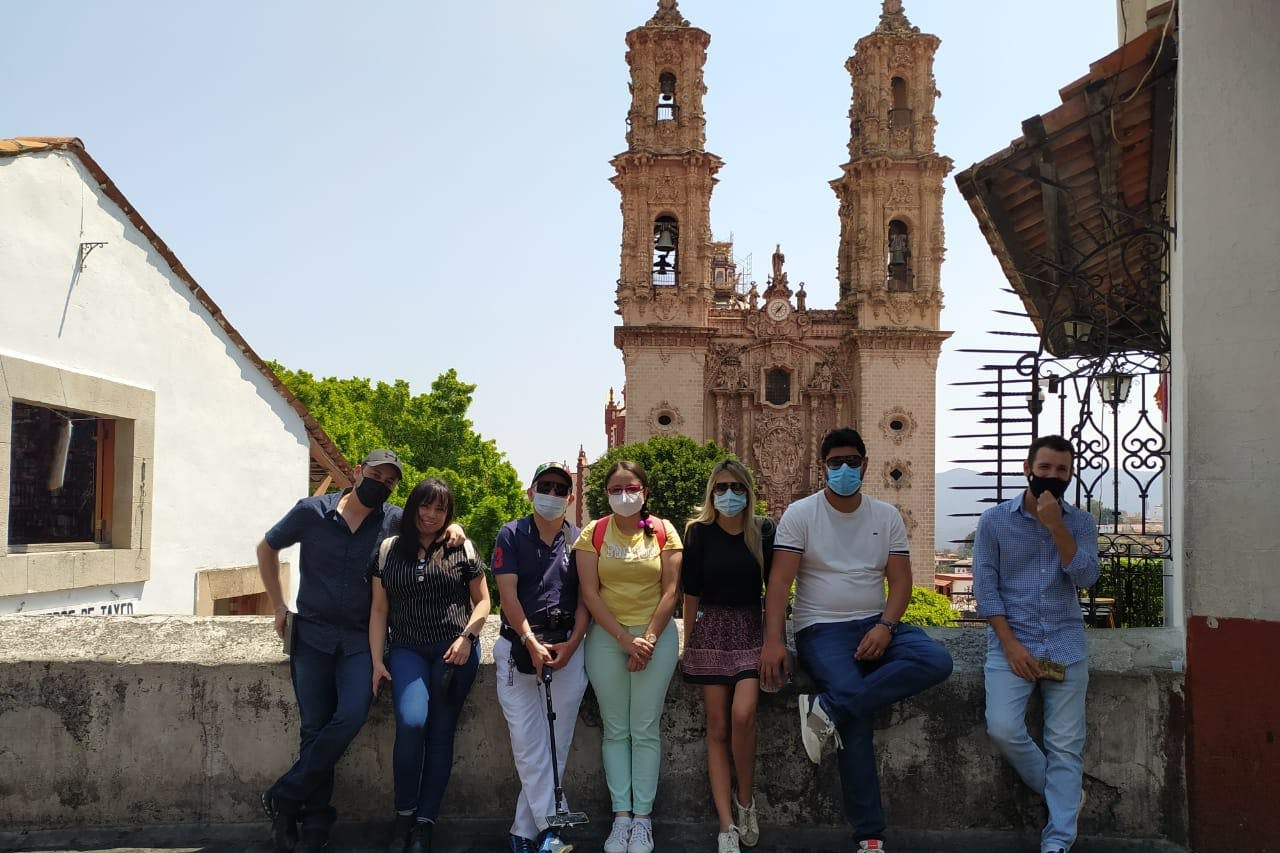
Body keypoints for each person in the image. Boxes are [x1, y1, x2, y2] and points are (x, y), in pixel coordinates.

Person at [759, 427, 953, 853]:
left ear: (865, 465)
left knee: (937, 660)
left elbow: (901, 582)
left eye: (852, 462)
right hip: (820, 629)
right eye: (835, 463)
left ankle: (826, 708)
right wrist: (775, 640)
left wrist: (884, 626)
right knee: (856, 716)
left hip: (877, 623)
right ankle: (869, 836)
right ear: (822, 467)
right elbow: (778, 584)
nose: (844, 469)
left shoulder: (886, 517)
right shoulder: (800, 514)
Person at [259, 449, 462, 853]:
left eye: (390, 481)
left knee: (350, 715)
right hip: (311, 635)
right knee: (314, 727)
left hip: (358, 639)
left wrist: (455, 526)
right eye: (376, 475)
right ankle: (313, 820)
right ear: (357, 472)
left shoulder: (391, 519)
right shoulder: (311, 512)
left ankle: (285, 792)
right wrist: (279, 605)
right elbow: (267, 548)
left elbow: (430, 520)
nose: (381, 484)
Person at [972, 435, 1100, 853]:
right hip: (1013, 642)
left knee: (1066, 744)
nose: (1052, 476)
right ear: (1028, 469)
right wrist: (1009, 645)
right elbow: (985, 589)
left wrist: (1056, 526)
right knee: (1005, 729)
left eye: (1061, 470)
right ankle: (1064, 798)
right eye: (1044, 468)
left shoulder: (1079, 523)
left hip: (1064, 643)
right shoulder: (994, 521)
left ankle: (1058, 840)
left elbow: (1085, 578)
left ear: (1070, 474)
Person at [370, 477, 491, 853]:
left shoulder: (461, 547)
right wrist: (376, 660)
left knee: (441, 735)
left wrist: (467, 639)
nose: (432, 515)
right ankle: (403, 814)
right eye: (426, 506)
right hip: (406, 649)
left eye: (441, 509)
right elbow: (379, 609)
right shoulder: (389, 550)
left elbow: (484, 602)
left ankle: (424, 823)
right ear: (413, 507)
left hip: (453, 650)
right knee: (411, 722)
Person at [573, 460, 683, 853]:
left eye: (631, 488)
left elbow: (671, 591)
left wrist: (648, 639)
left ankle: (643, 820)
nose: (624, 495)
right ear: (606, 494)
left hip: (656, 637)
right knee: (616, 728)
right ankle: (621, 817)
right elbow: (590, 593)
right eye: (616, 489)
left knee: (645, 727)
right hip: (607, 638)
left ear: (644, 492)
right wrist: (625, 640)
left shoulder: (663, 531)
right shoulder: (594, 533)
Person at [492, 462, 591, 853]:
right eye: (544, 486)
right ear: (531, 492)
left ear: (570, 498)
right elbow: (508, 596)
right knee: (529, 746)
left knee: (556, 745)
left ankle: (524, 834)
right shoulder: (511, 534)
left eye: (560, 488)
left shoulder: (580, 540)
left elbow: (587, 599)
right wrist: (530, 640)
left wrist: (574, 642)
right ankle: (555, 828)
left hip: (566, 651)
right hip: (519, 649)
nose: (552, 493)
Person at [681, 460, 775, 853]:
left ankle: (746, 800)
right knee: (717, 727)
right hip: (711, 631)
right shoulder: (698, 533)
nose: (728, 495)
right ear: (711, 492)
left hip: (752, 629)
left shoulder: (764, 531)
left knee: (743, 714)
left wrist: (776, 641)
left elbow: (776, 589)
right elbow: (691, 593)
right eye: (720, 487)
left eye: (736, 487)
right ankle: (726, 825)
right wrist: (689, 643)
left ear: (748, 491)